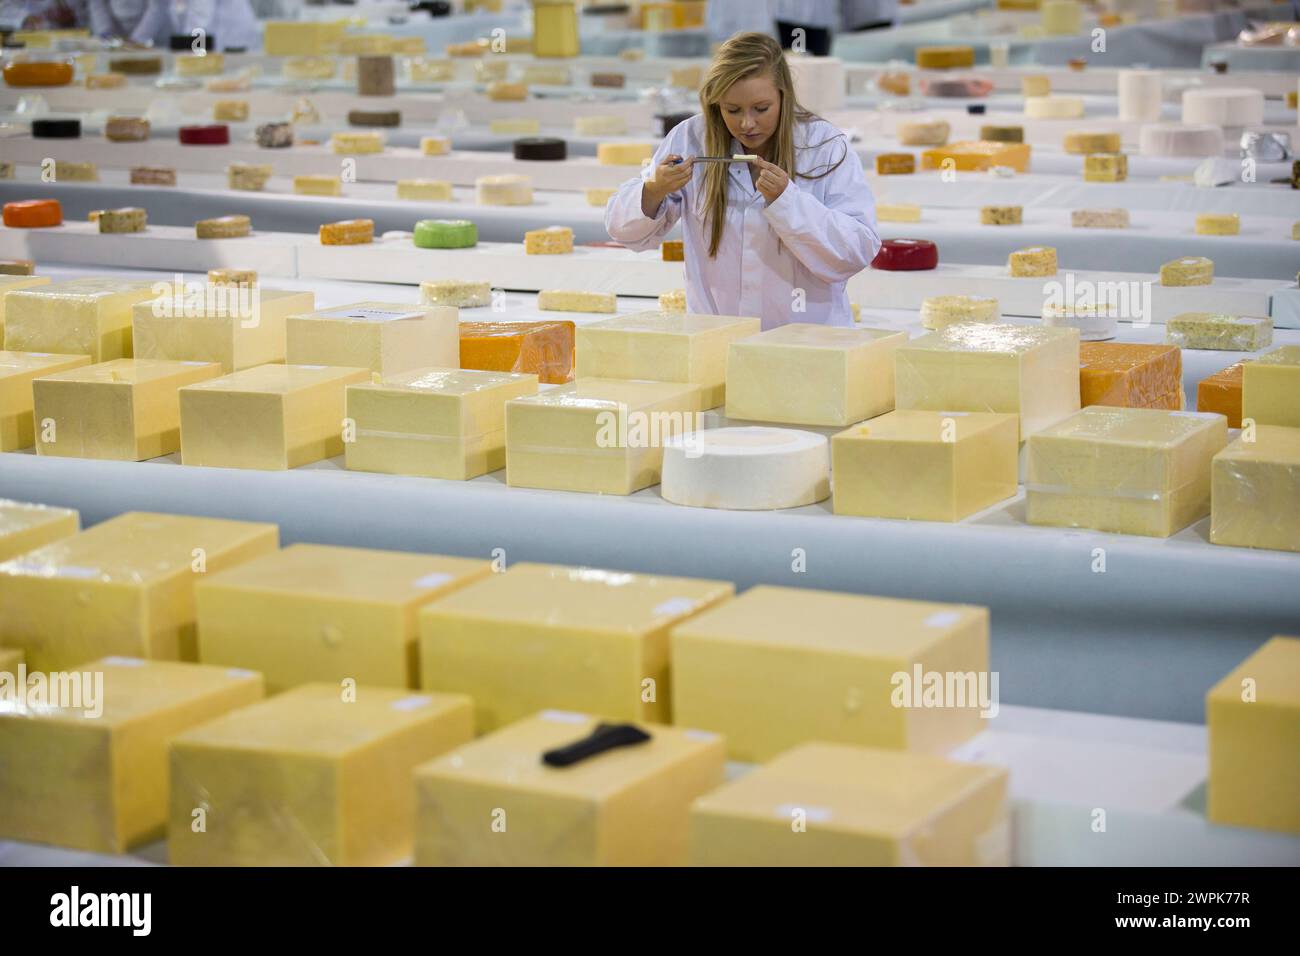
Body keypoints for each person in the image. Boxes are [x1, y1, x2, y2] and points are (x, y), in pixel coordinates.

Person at [605, 31, 881, 330]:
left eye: (761, 109)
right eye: (732, 110)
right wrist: (653, 190)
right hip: (716, 340)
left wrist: (789, 202)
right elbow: (624, 232)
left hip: (808, 343)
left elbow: (856, 251)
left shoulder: (824, 145)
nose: (747, 124)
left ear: (783, 96)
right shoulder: (691, 139)